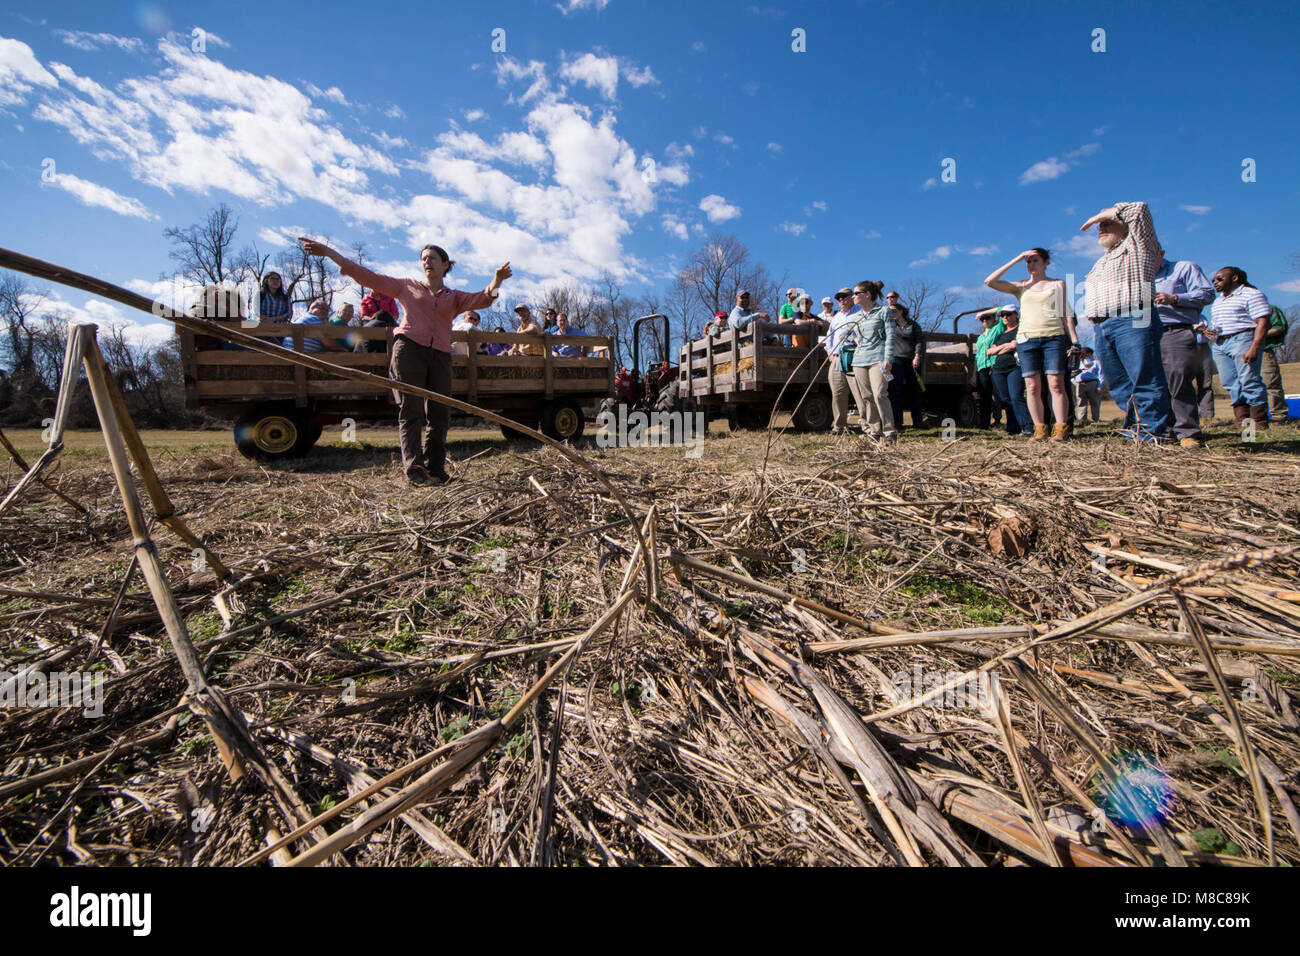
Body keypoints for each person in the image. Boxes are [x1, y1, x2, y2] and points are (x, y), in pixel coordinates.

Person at [298, 237, 511, 485]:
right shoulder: (406, 286)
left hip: (441, 354)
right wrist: (329, 253)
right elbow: (366, 276)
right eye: (423, 259)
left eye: (431, 258)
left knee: (440, 413)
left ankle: (437, 469)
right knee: (411, 411)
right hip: (409, 351)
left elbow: (485, 299)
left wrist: (498, 279)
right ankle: (416, 470)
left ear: (444, 264)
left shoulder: (453, 296)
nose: (426, 262)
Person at [1078, 202, 1174, 443]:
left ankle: (1155, 435)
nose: (1101, 228)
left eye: (1108, 223)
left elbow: (1139, 210)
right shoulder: (1100, 262)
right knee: (1120, 385)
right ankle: (1136, 432)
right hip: (1102, 325)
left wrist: (1096, 215)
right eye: (1100, 226)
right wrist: (1096, 329)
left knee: (1145, 379)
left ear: (1126, 226)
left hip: (1134, 316)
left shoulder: (1137, 246)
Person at [984, 248, 1081, 441]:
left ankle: (1061, 428)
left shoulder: (1057, 284)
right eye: (1028, 261)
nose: (1030, 264)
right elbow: (990, 281)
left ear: (1045, 262)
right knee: (1032, 387)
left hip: (1053, 337)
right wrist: (1017, 257)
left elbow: (1066, 313)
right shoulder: (1021, 286)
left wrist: (1075, 340)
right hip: (1027, 339)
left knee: (1056, 383)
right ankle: (1039, 429)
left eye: (1035, 260)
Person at [1152, 245, 1215, 447]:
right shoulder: (1138, 277)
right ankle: (1162, 430)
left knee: (1178, 379)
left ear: (1160, 253)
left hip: (1175, 330)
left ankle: (1187, 431)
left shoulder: (1184, 268)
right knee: (1154, 384)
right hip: (1146, 333)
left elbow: (1207, 294)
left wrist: (1175, 298)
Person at [1205, 267, 1272, 432]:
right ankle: (1242, 420)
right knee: (1230, 382)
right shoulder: (1218, 301)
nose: (1215, 282)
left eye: (1219, 278)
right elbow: (1219, 324)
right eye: (1214, 279)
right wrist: (1209, 332)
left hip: (1243, 339)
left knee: (1248, 379)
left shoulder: (1252, 294)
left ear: (1235, 278)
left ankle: (1260, 421)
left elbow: (1262, 322)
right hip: (1220, 343)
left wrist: (1254, 346)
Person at [846, 281, 897, 444]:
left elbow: (891, 336)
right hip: (859, 360)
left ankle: (890, 431)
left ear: (867, 295)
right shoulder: (857, 317)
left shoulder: (883, 311)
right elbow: (844, 335)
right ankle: (874, 431)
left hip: (878, 359)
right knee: (866, 397)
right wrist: (855, 339)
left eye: (856, 293)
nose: (853, 297)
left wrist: (888, 358)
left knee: (879, 394)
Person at [986, 305, 1033, 436]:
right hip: (998, 369)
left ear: (1016, 314)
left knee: (1016, 397)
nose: (1005, 317)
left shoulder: (1020, 330)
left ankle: (1028, 426)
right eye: (1002, 315)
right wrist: (1006, 345)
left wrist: (1000, 348)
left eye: (1008, 314)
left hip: (1014, 367)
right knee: (1005, 399)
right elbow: (989, 352)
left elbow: (1015, 345)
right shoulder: (1000, 335)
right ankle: (1013, 427)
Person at [825, 287, 862, 435]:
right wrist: (829, 352)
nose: (841, 300)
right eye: (839, 299)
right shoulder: (837, 317)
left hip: (854, 356)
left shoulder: (860, 312)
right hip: (837, 358)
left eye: (844, 297)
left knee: (860, 392)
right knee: (838, 392)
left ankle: (868, 425)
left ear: (852, 297)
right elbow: (829, 337)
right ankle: (839, 426)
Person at [886, 295, 925, 430]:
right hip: (896, 360)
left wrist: (917, 356)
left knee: (913, 391)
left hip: (911, 360)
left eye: (894, 311)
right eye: (889, 312)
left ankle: (917, 421)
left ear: (901, 311)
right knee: (894, 391)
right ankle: (897, 421)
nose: (892, 314)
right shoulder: (890, 327)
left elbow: (919, 341)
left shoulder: (913, 325)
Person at [973, 308, 1005, 429]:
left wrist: (981, 312)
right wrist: (974, 373)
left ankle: (998, 420)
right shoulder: (980, 337)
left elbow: (1002, 308)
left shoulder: (998, 329)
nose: (985, 320)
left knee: (998, 395)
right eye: (982, 319)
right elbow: (978, 355)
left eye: (988, 318)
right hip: (982, 368)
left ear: (994, 319)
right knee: (984, 397)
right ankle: (984, 423)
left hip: (995, 365)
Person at [1260, 305, 1291, 423]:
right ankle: (1253, 417)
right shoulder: (1235, 310)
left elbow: (1279, 327)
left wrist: (1258, 335)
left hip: (1263, 350)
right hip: (1240, 351)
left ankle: (1278, 416)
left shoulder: (1269, 309)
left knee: (1271, 382)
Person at [1071, 347, 1103, 425]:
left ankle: (1095, 420)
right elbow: (1071, 372)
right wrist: (1073, 381)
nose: (1086, 355)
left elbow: (1101, 374)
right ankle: (1082, 421)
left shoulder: (1095, 362)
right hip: (1080, 384)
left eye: (1088, 354)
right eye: (1083, 353)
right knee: (1081, 403)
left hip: (1092, 383)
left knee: (1095, 402)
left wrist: (1100, 385)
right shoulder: (1076, 363)